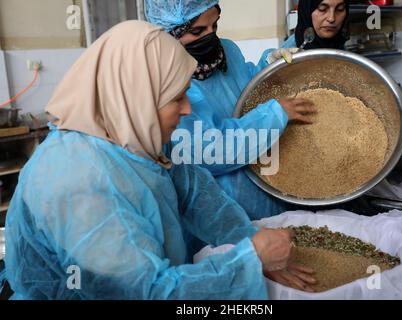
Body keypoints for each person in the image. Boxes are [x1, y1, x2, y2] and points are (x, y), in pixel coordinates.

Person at [3, 21, 316, 300]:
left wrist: (250, 239)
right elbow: (145, 292)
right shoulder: (80, 182)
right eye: (176, 98)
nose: (187, 110)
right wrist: (249, 262)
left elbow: (194, 193)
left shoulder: (131, 138)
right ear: (138, 98)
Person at [145, 0, 317, 220]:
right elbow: (210, 149)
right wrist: (274, 116)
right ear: (169, 33)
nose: (209, 36)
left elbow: (245, 91)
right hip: (220, 208)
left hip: (264, 187)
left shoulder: (225, 51)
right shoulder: (166, 82)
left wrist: (269, 65)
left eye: (214, 26)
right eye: (198, 31)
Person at [283, 0, 350, 50]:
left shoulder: (341, 50)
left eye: (340, 9)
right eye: (322, 9)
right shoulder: (289, 51)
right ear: (307, 11)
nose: (331, 18)